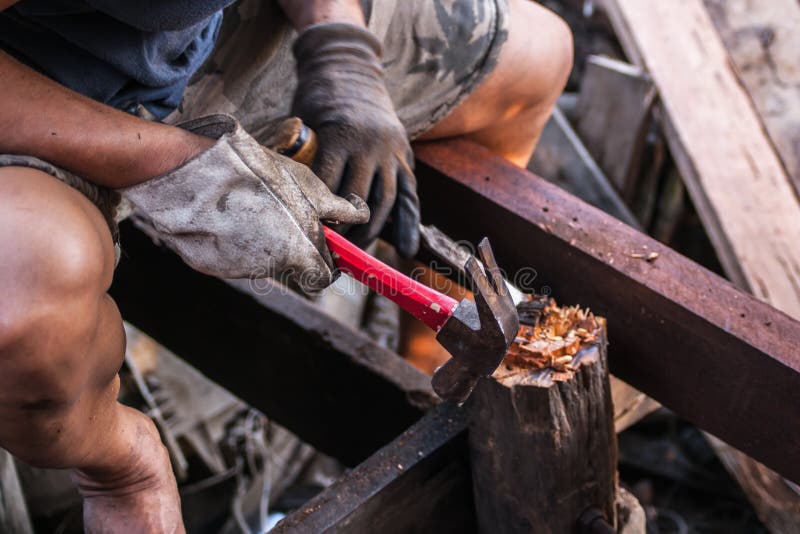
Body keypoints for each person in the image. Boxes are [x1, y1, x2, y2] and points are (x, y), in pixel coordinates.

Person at [0, 0, 572, 531]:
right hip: (38, 91)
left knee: (539, 58)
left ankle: (428, 366)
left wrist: (343, 54)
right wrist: (167, 162)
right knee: (22, 317)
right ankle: (118, 464)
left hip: (198, 39)